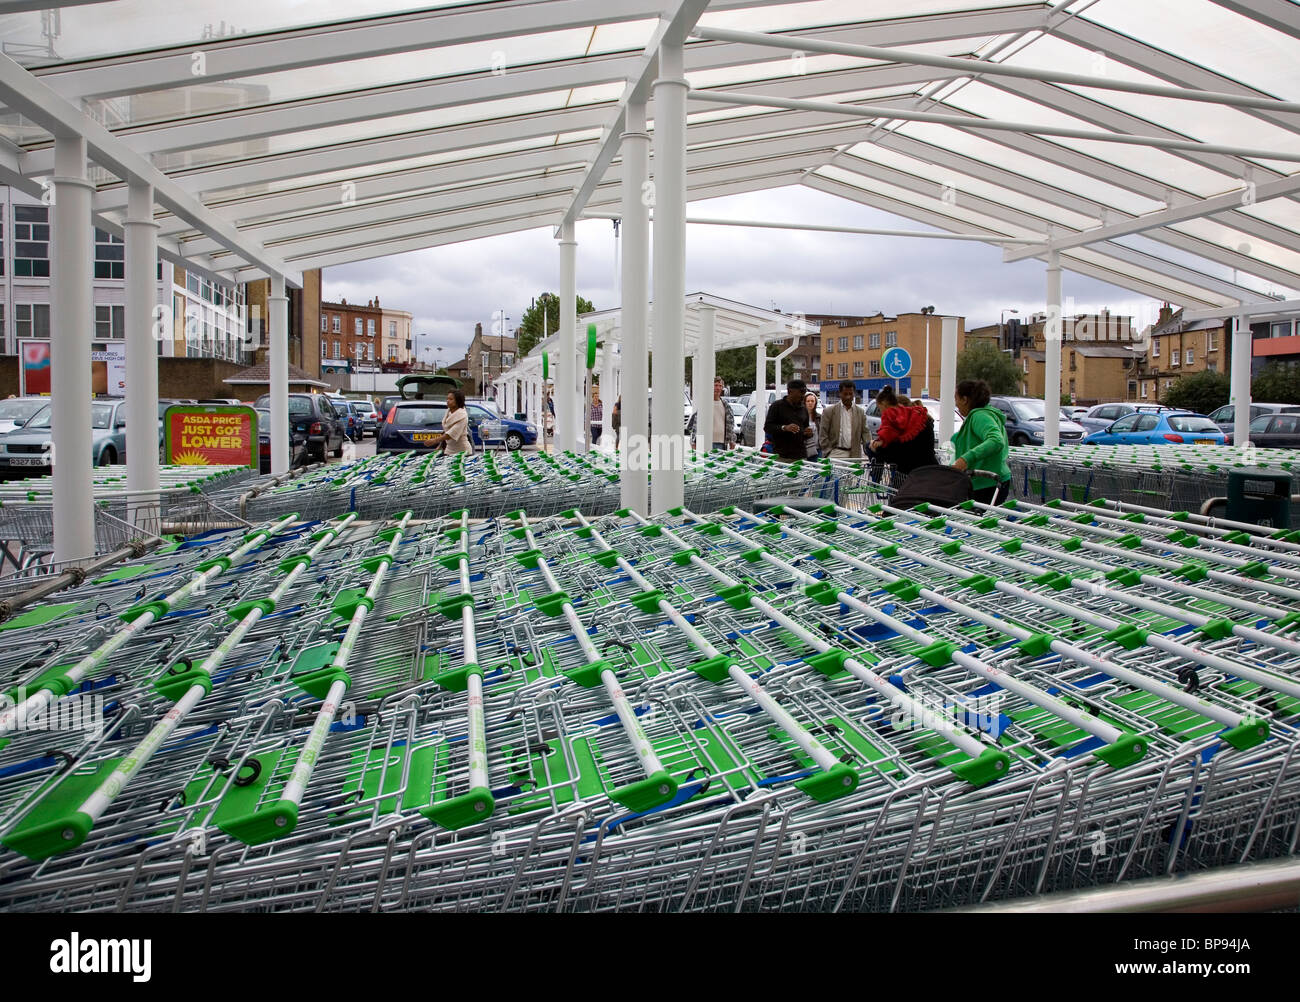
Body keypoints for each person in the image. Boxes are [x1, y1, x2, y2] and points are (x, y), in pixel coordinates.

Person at [950, 378, 1011, 505]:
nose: (956, 403)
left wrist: (965, 459)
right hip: (989, 481)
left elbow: (996, 441)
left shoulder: (979, 416)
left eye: (956, 398)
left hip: (987, 483)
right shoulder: (983, 415)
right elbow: (977, 438)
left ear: (965, 399)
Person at [868, 385, 937, 475]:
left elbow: (895, 452)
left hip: (911, 476)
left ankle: (876, 481)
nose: (882, 414)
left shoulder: (895, 421)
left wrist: (875, 447)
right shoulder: (921, 418)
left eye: (880, 410)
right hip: (930, 471)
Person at [763, 379, 813, 461]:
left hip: (800, 455)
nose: (803, 395)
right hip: (781, 455)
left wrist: (808, 433)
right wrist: (784, 428)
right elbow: (767, 427)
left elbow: (805, 429)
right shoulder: (777, 406)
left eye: (804, 392)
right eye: (801, 392)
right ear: (790, 391)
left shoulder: (803, 408)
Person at [818, 380, 868, 459]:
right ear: (840, 394)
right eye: (845, 394)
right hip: (835, 454)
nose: (848, 397)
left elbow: (865, 432)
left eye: (850, 394)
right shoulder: (829, 411)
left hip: (854, 455)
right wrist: (828, 451)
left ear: (854, 394)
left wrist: (868, 448)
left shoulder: (860, 412)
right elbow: (823, 434)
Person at [436, 388, 473, 455]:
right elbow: (446, 430)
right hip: (449, 450)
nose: (447, 401)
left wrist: (434, 440)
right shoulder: (448, 411)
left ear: (458, 401)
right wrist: (440, 445)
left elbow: (451, 433)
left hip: (463, 451)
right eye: (447, 399)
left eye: (451, 399)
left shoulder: (462, 415)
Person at [709, 377, 735, 451]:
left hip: (722, 443)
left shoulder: (725, 405)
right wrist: (694, 441)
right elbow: (694, 423)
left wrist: (731, 440)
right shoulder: (705, 404)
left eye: (720, 386)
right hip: (707, 442)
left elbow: (730, 424)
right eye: (716, 385)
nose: (718, 388)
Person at [803, 391, 821, 458]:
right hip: (804, 449)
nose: (810, 403)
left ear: (815, 403)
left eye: (812, 401)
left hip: (817, 449)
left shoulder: (819, 417)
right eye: (808, 401)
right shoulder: (800, 417)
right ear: (804, 402)